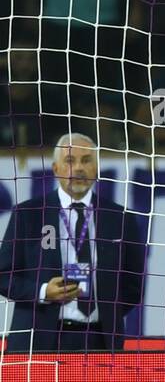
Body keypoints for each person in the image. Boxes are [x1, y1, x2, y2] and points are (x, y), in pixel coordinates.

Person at [0, 133, 145, 353]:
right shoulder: (28, 214)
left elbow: (133, 286)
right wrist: (42, 292)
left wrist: (105, 311)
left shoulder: (120, 218)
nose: (78, 168)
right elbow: (3, 275)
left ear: (96, 169)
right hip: (37, 340)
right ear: (56, 168)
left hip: (100, 341)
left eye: (86, 161)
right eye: (70, 160)